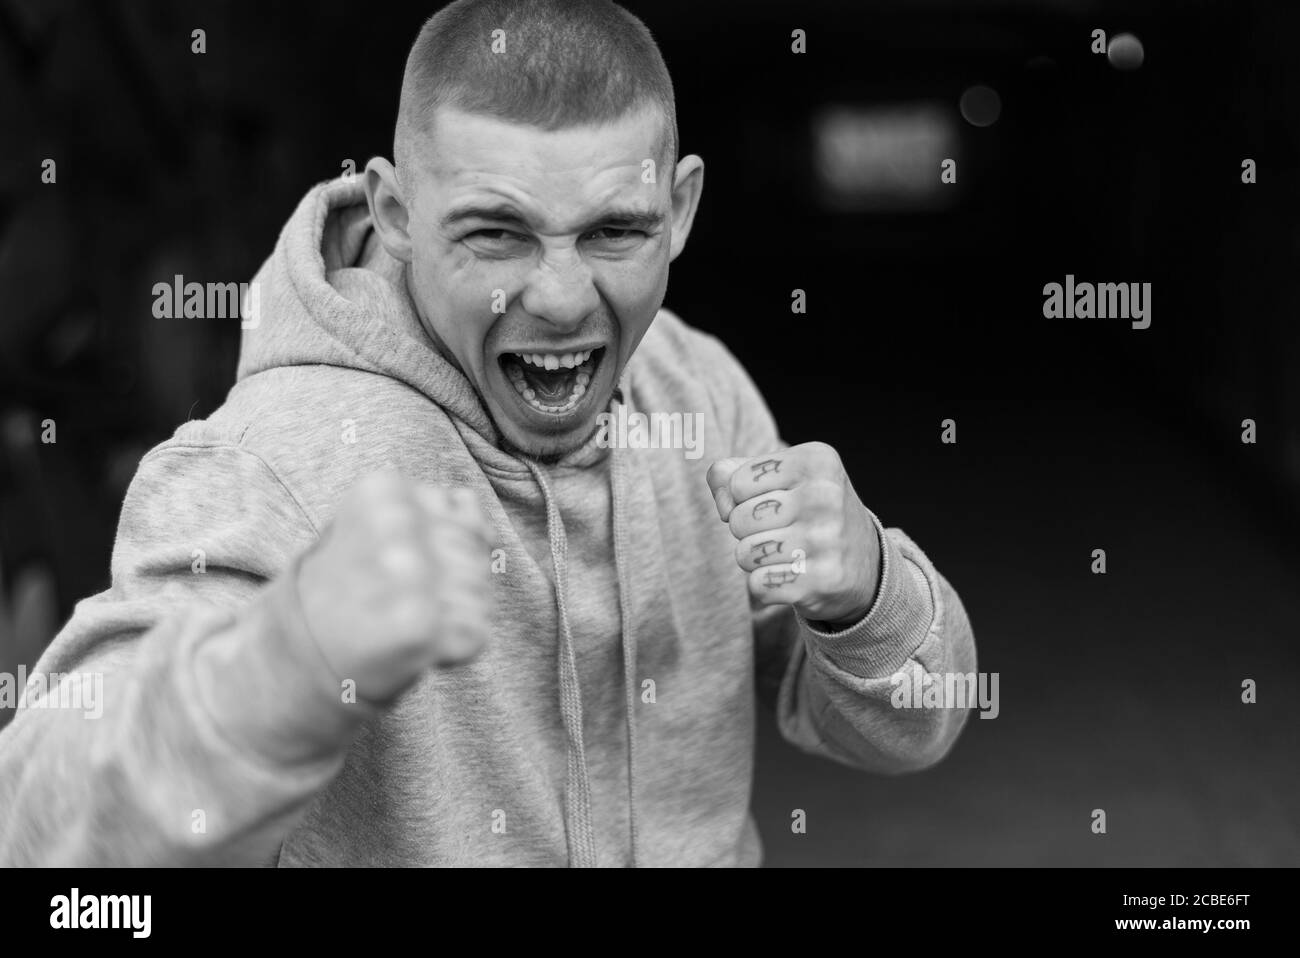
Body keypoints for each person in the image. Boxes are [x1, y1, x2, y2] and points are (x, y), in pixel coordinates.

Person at [0, 0, 976, 867]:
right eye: (496, 234)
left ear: (679, 210)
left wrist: (869, 593)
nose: (558, 299)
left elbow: (916, 729)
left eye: (613, 232)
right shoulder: (268, 461)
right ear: (395, 211)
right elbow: (39, 833)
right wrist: (283, 660)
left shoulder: (696, 391)